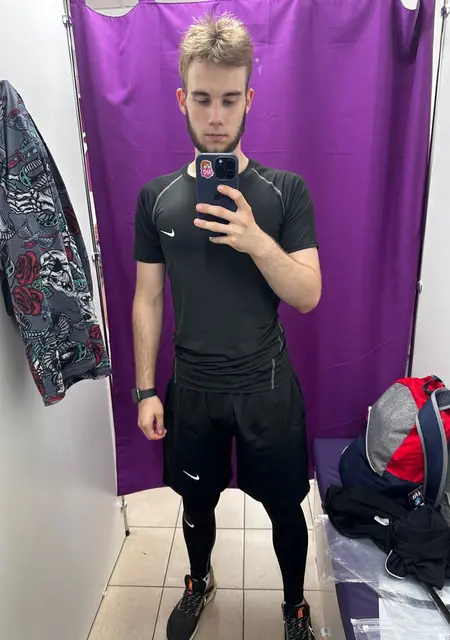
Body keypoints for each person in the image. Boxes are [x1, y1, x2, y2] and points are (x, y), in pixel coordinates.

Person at [132, 11, 322, 640]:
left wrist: (257, 242)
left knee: (285, 507)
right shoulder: (157, 198)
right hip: (192, 388)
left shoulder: (285, 191)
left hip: (267, 386)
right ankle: (199, 579)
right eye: (204, 99)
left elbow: (308, 295)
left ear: (249, 100)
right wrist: (145, 389)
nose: (216, 116)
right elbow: (147, 298)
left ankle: (294, 606)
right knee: (196, 500)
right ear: (182, 99)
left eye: (230, 99)